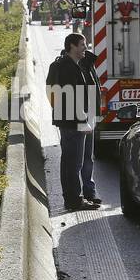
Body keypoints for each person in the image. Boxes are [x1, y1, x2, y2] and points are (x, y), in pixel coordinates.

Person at [46, 33, 101, 211]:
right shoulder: (69, 68)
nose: (85, 47)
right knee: (74, 164)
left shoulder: (69, 65)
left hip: (68, 120)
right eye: (82, 45)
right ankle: (75, 200)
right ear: (72, 46)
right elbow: (73, 98)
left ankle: (72, 199)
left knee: (69, 162)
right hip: (73, 123)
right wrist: (82, 120)